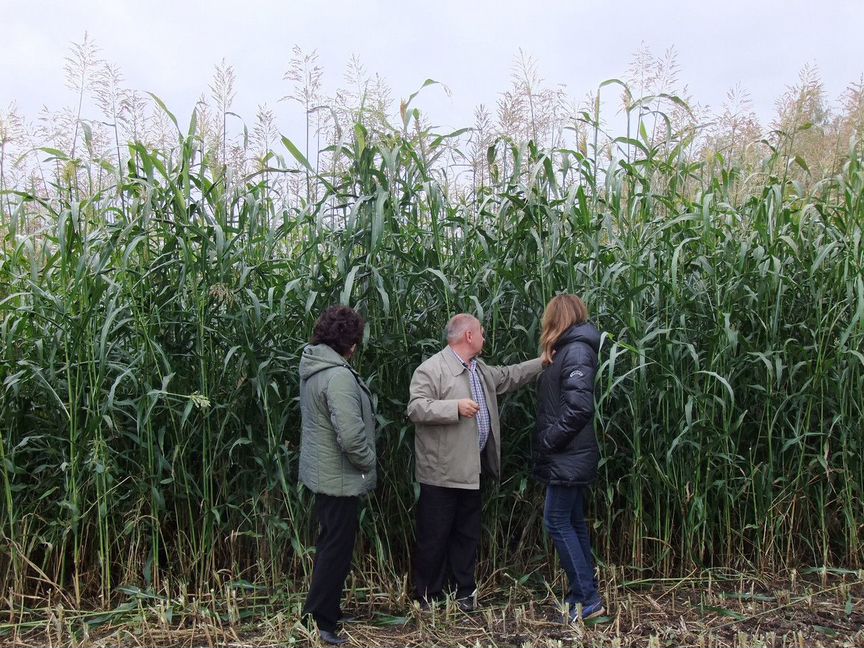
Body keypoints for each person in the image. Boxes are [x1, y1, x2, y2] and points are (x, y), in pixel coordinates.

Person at [407, 313, 543, 610]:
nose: (484, 336)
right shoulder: (432, 369)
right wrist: (454, 407)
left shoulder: (479, 370)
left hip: (471, 468)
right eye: (481, 331)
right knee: (435, 536)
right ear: (468, 336)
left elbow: (510, 375)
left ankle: (464, 593)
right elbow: (416, 408)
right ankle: (428, 595)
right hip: (441, 473)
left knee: (466, 534)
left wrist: (543, 362)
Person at [299, 306, 376, 646]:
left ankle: (323, 609)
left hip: (325, 474)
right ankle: (321, 620)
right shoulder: (339, 375)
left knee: (331, 543)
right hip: (340, 477)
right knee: (336, 548)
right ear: (352, 343)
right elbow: (351, 435)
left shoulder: (317, 369)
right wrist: (368, 462)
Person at [532, 294, 605, 622]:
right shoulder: (570, 349)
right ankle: (583, 593)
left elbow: (579, 408)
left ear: (557, 318)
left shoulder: (575, 350)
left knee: (556, 521)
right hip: (570, 454)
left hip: (568, 454)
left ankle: (587, 598)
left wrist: (549, 439)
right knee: (572, 522)